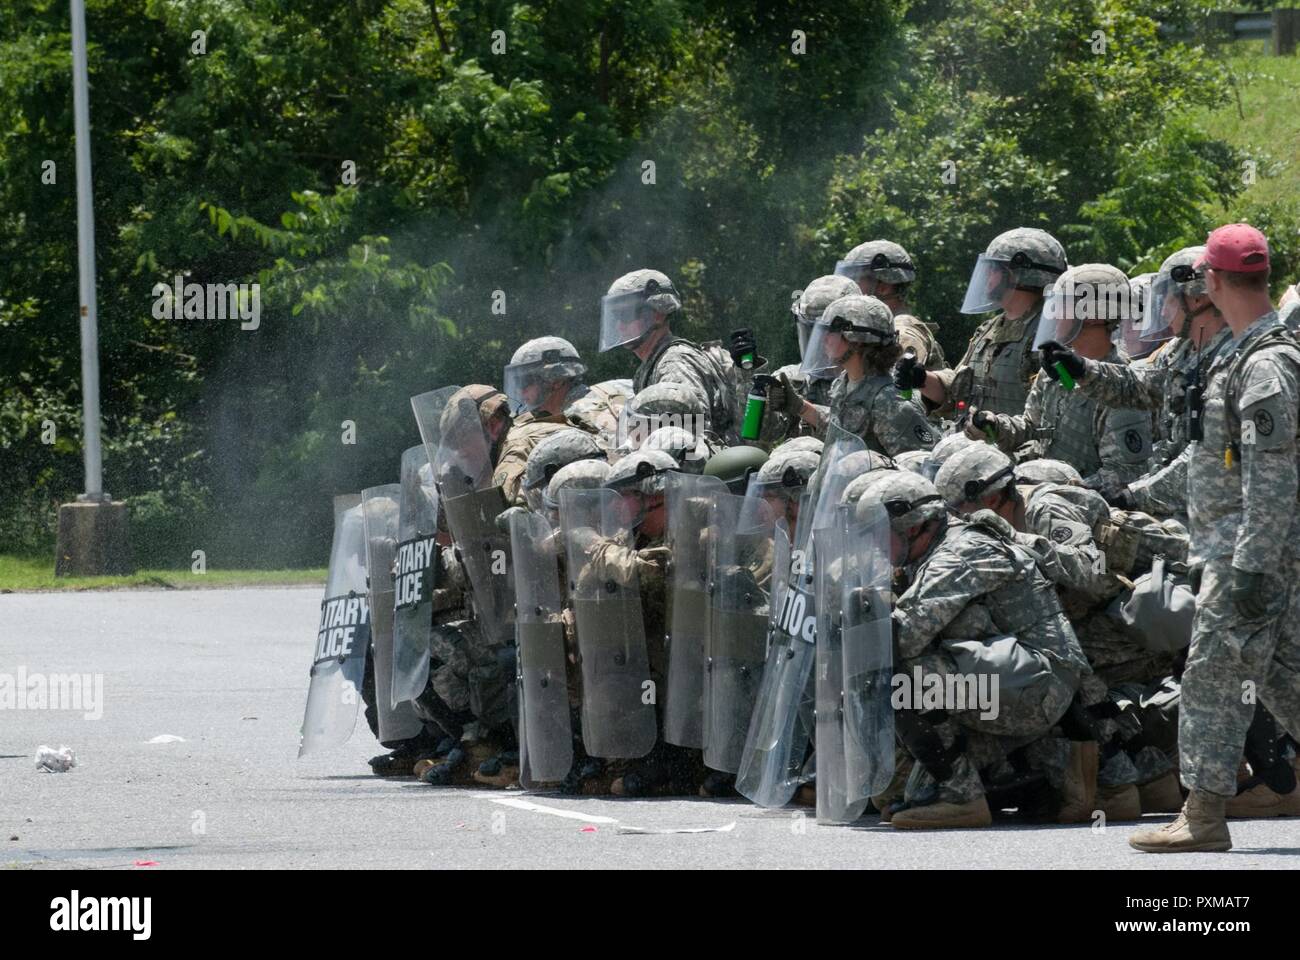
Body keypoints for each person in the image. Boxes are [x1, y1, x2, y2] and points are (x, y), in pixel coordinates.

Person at [1130, 223, 1300, 853]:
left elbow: (1271, 474)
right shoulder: (1238, 354)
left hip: (1249, 555)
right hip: (1250, 550)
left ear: (1217, 280)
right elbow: (1215, 460)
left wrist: (1252, 566)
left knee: (1210, 676)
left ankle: (1202, 816)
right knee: (1287, 681)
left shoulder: (1266, 364)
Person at [856, 469, 1090, 828]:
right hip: (1017, 677)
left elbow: (902, 637)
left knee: (900, 676)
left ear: (913, 525)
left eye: (879, 534)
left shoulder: (959, 554)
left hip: (1039, 684)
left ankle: (961, 798)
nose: (874, 546)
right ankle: (1047, 771)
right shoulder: (934, 548)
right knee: (901, 794)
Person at [1046, 247, 1234, 521]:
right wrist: (1081, 369)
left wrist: (1132, 496)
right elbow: (1140, 385)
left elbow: (1206, 461)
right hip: (1177, 501)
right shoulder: (1181, 351)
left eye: (1168, 299)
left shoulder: (1232, 359)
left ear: (1196, 299)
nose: (1163, 310)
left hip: (1216, 514)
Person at [972, 263, 1154, 493]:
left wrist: (1053, 487)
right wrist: (995, 426)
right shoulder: (1056, 369)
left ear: (1092, 315)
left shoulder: (1122, 388)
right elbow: (1031, 427)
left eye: (1063, 305)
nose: (1054, 314)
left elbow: (1125, 474)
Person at [895, 227, 1067, 417]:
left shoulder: (1050, 333)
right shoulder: (989, 329)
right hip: (976, 442)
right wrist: (921, 379)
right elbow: (959, 388)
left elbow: (1068, 398)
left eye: (993, 270)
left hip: (1023, 444)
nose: (986, 278)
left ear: (1016, 275)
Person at [768, 294, 936, 455]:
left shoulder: (890, 401)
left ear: (857, 340)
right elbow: (846, 430)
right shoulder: (844, 382)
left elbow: (918, 462)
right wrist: (800, 407)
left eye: (831, 332)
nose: (823, 339)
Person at [599, 269, 744, 440]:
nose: (619, 326)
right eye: (616, 316)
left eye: (626, 315)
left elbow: (692, 444)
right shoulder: (650, 366)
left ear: (658, 314)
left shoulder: (674, 363)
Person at [764, 275, 862, 442]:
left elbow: (861, 434)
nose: (821, 341)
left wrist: (803, 408)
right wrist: (759, 397)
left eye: (828, 331)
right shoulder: (790, 379)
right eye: (812, 331)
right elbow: (764, 435)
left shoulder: (878, 381)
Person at [835, 239, 948, 373]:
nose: (848, 288)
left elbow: (897, 390)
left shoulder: (901, 334)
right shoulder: (878, 330)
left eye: (856, 279)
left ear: (883, 287)